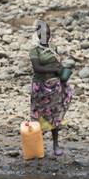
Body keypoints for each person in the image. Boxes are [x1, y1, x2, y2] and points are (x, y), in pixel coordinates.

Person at [29, 20, 73, 157]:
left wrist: (61, 71)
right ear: (37, 34)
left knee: (55, 115)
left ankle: (55, 145)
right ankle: (37, 146)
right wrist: (54, 68)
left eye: (48, 33)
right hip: (40, 87)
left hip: (54, 85)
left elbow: (57, 63)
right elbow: (37, 68)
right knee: (38, 116)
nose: (46, 36)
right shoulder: (34, 50)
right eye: (43, 34)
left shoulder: (53, 47)